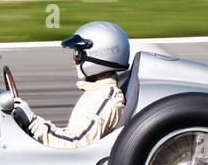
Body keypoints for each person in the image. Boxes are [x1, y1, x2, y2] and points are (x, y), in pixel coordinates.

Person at [13, 21, 130, 149]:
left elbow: (75, 142)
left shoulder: (107, 101)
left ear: (100, 55)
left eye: (78, 55)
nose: (74, 61)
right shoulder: (97, 90)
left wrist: (33, 123)